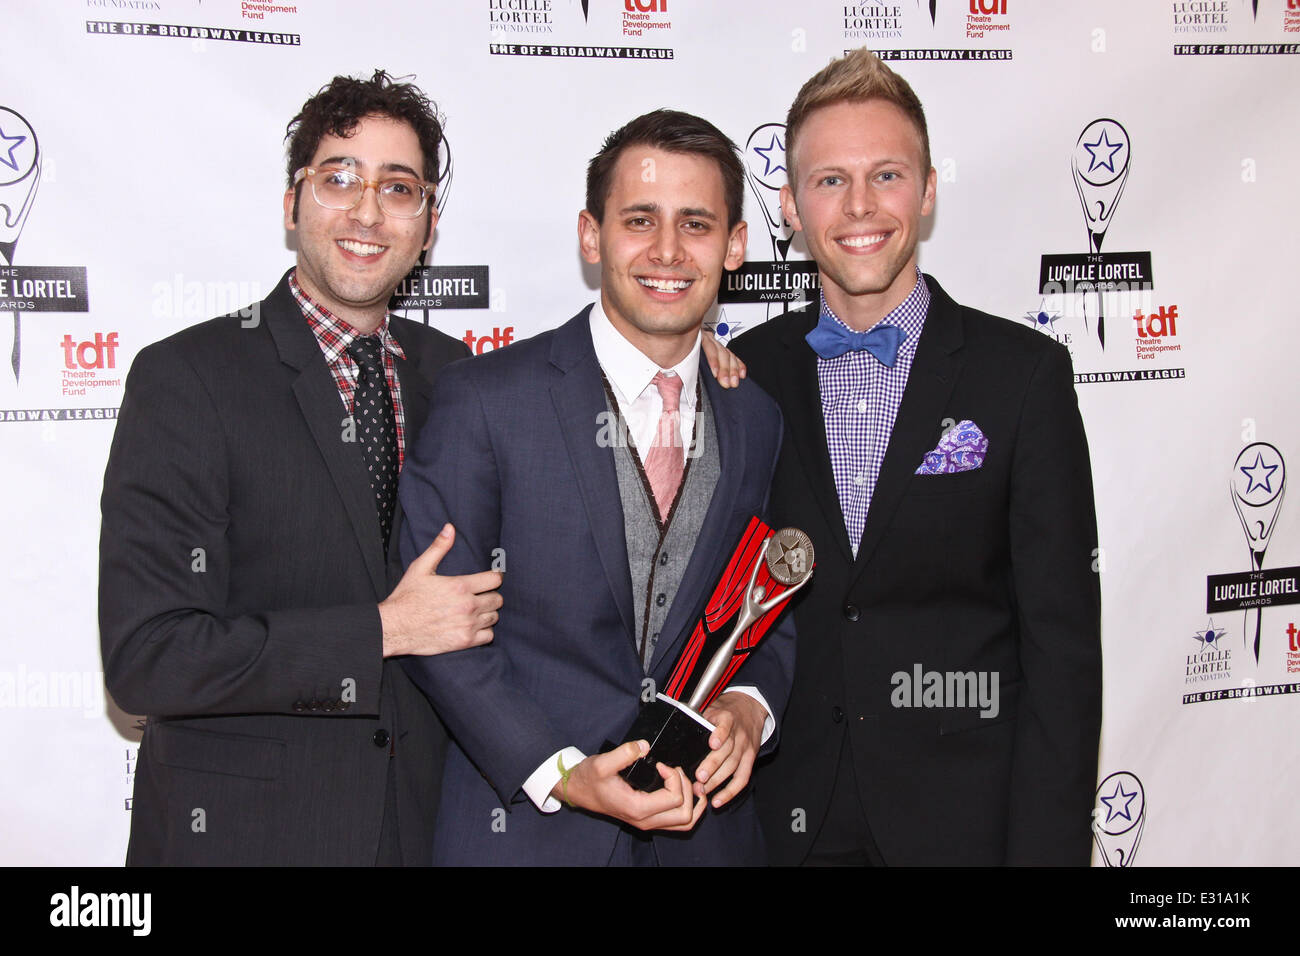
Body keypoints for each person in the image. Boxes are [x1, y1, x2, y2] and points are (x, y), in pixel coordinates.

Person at [98, 70, 505, 865]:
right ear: (292, 203)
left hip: (423, 830)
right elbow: (149, 659)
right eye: (339, 178)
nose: (366, 211)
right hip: (245, 839)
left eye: (398, 187)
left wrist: (686, 348)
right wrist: (383, 631)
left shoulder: (463, 379)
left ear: (427, 226)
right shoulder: (187, 378)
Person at [731, 48, 1102, 866]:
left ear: (928, 189)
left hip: (964, 831)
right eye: (829, 181)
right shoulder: (742, 377)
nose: (860, 205)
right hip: (781, 824)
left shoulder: (1022, 377)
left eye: (887, 175)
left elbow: (1062, 656)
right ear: (788, 205)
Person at [397, 109, 796, 865]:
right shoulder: (485, 400)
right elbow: (438, 632)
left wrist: (749, 705)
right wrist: (564, 772)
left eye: (698, 224)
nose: (669, 251)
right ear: (592, 235)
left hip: (705, 840)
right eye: (640, 219)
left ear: (737, 246)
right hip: (524, 835)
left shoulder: (755, 416)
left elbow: (766, 605)